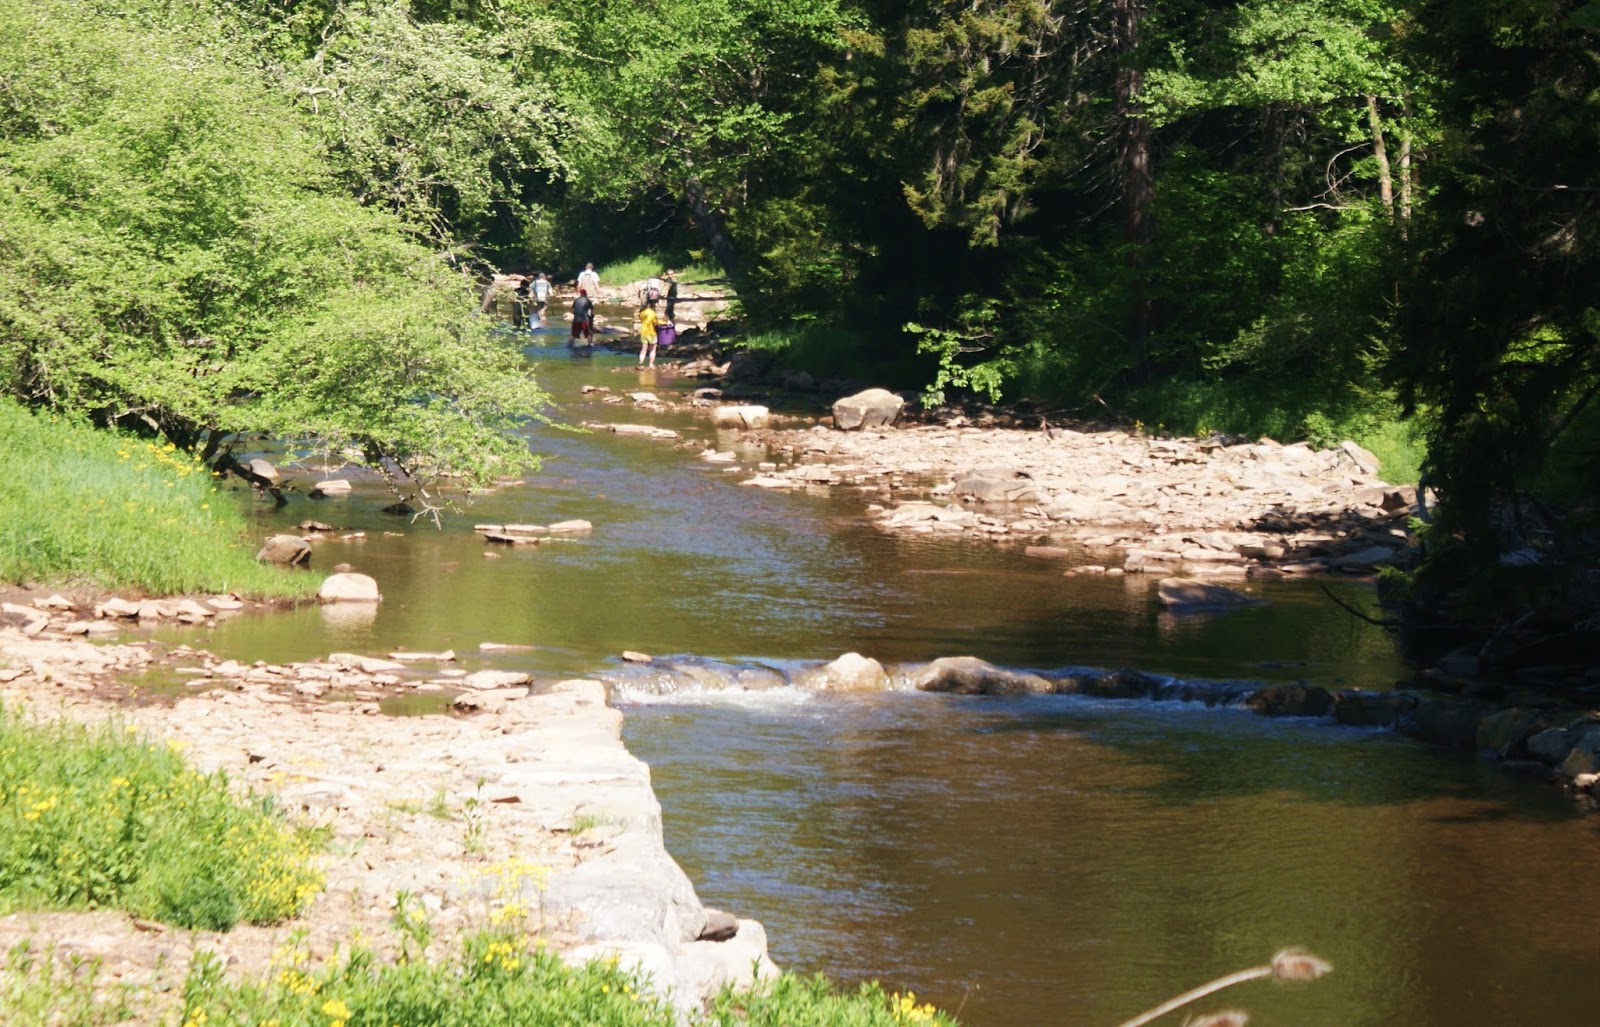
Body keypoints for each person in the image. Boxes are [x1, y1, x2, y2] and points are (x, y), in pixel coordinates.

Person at [637, 299, 659, 367]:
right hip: (651, 333)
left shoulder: (642, 313)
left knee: (643, 349)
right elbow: (656, 322)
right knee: (653, 349)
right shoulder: (652, 313)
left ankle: (641, 362)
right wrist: (665, 323)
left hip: (643, 332)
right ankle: (651, 364)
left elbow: (641, 319)